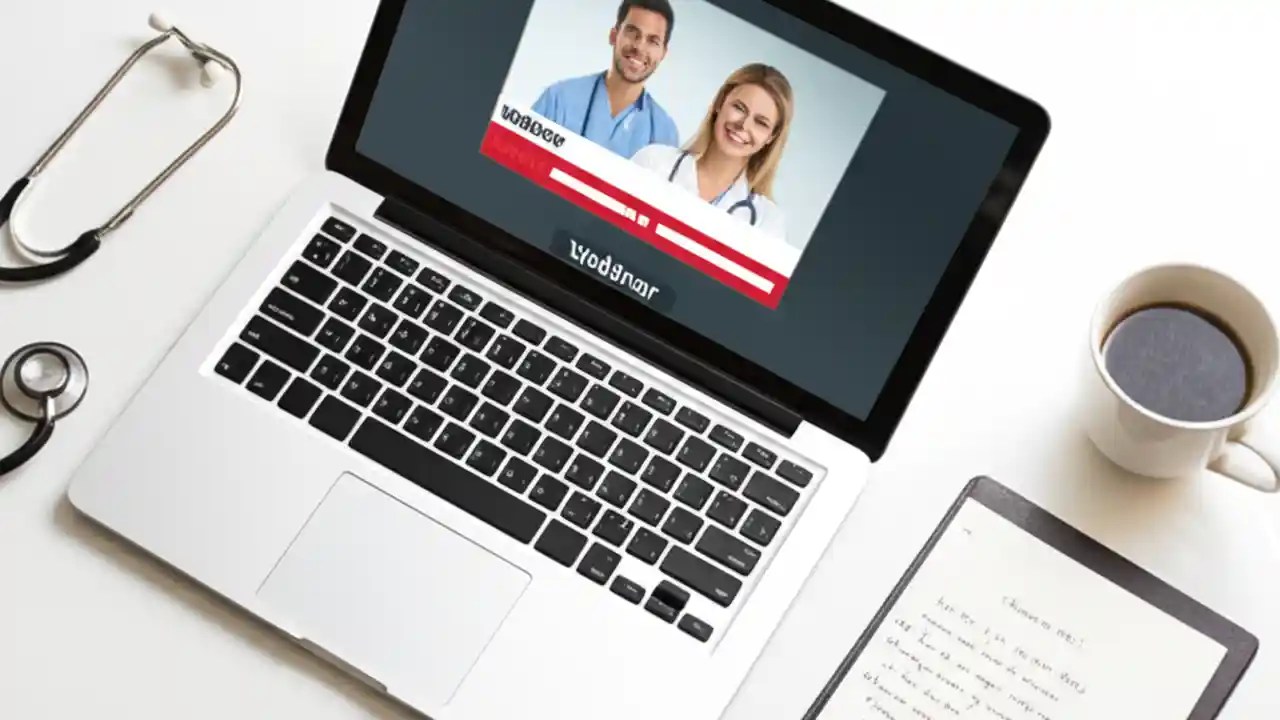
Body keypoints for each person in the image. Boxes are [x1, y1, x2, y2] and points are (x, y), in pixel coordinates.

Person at [632, 63, 793, 243]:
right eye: (739, 108)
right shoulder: (653, 162)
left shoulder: (767, 223)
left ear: (771, 137)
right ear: (719, 103)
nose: (744, 125)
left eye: (761, 123)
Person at [531, 0, 680, 159]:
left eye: (653, 41)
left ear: (663, 53)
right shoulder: (558, 100)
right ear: (614, 36)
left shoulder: (666, 135)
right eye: (632, 32)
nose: (639, 47)